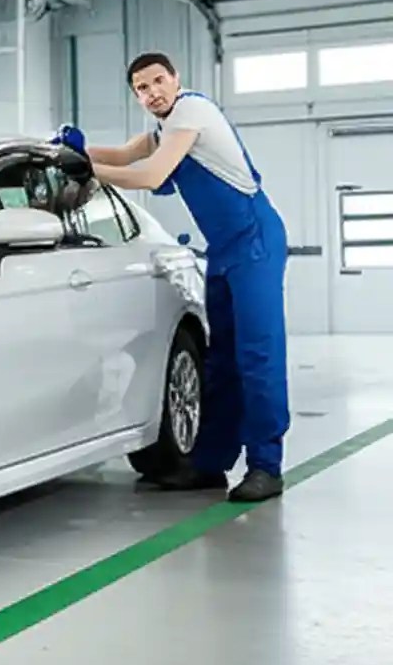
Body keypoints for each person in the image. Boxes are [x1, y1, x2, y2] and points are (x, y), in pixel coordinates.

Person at [53, 51, 290, 503]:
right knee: (219, 359)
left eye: (158, 81)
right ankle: (210, 464)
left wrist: (87, 169)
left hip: (255, 237)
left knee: (257, 354)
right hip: (224, 247)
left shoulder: (192, 111)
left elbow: (150, 172)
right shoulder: (164, 128)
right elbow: (126, 152)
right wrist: (66, 152)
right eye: (142, 88)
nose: (152, 92)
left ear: (176, 78)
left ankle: (266, 466)